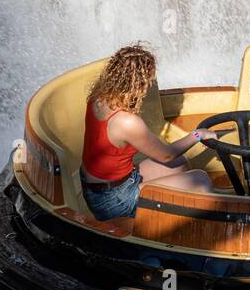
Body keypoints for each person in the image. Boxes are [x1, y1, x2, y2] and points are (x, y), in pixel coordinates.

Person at [80, 45, 218, 220]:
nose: (149, 86)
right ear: (136, 85)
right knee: (201, 181)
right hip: (114, 200)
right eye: (147, 82)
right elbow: (166, 155)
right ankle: (197, 235)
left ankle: (177, 219)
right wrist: (198, 135)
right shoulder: (127, 122)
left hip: (99, 186)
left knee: (180, 163)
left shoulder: (99, 96)